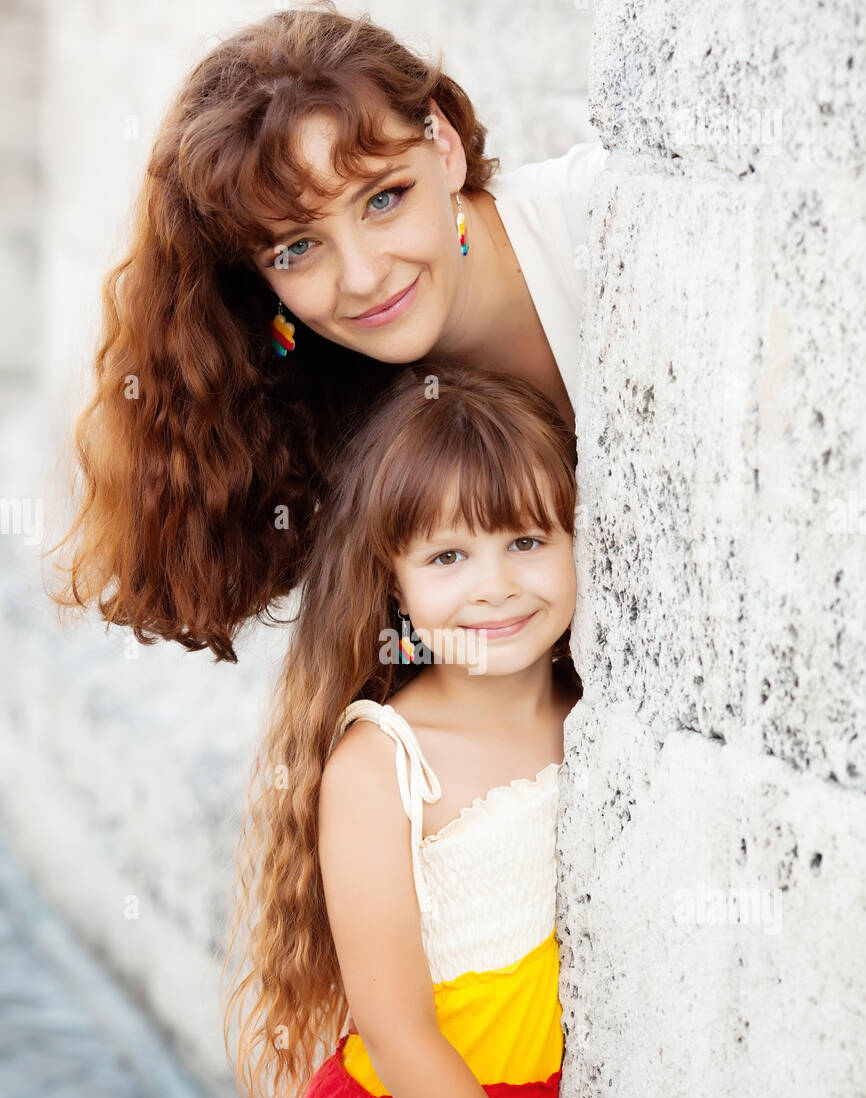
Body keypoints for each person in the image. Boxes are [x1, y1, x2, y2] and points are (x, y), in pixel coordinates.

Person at [219, 360, 667, 1098]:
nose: (496, 587)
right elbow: (397, 1033)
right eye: (448, 557)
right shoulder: (383, 764)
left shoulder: (597, 713)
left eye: (527, 540)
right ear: (395, 584)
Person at [47, 2, 609, 664]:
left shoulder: (604, 223)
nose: (364, 276)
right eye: (297, 247)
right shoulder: (324, 399)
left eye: (384, 198)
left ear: (445, 146)